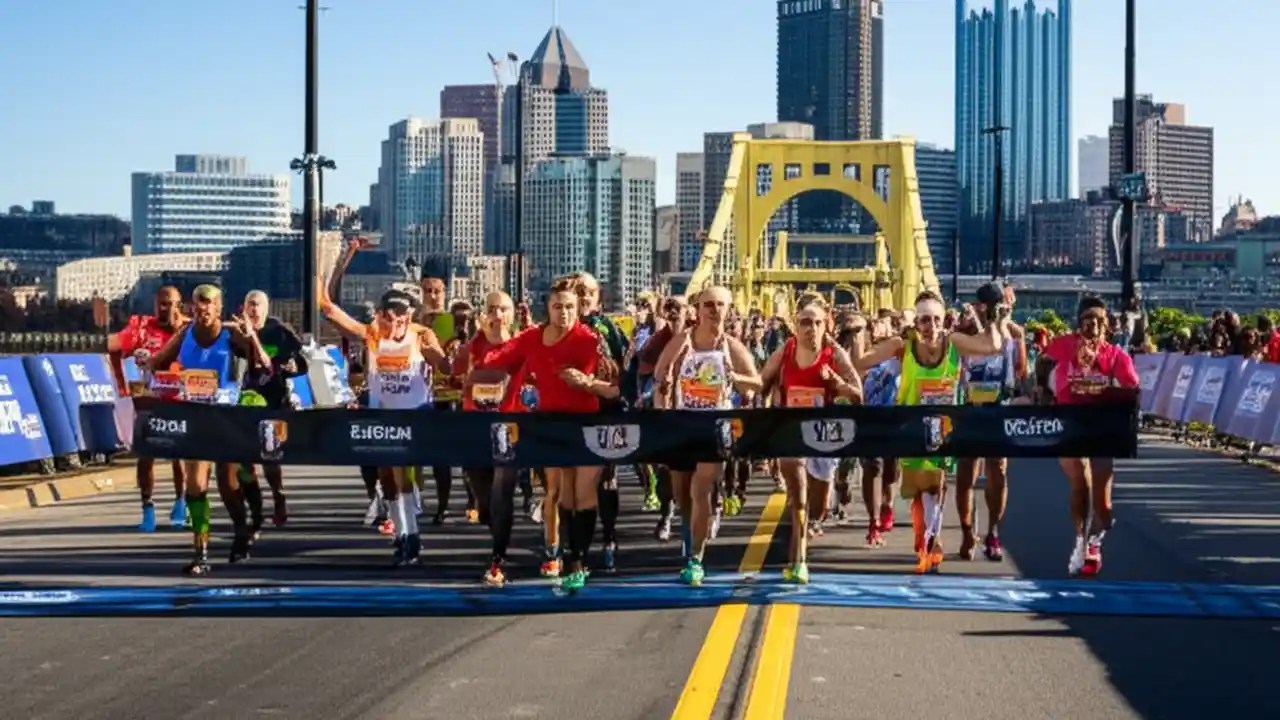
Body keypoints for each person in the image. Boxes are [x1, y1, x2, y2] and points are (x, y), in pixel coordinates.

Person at [479, 276, 619, 591]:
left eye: (569, 307)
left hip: (588, 424)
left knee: (584, 493)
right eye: (557, 307)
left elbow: (614, 387)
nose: (564, 313)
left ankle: (578, 560)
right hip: (551, 425)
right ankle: (568, 557)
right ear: (548, 308)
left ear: (578, 309)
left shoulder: (590, 339)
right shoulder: (532, 337)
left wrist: (587, 383)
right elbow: (494, 361)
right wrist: (492, 333)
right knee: (562, 494)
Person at [856, 290, 1005, 574]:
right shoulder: (903, 346)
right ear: (916, 323)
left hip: (945, 428)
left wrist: (993, 321)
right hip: (911, 428)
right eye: (924, 320)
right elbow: (862, 362)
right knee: (920, 489)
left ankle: (930, 543)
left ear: (944, 321)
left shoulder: (954, 343)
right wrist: (858, 333)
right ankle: (926, 540)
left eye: (936, 319)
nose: (931, 326)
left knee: (937, 486)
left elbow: (992, 347)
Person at [318, 269, 447, 566]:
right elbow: (329, 309)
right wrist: (329, 271)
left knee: (402, 473)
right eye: (387, 316)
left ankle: (412, 536)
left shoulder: (421, 335)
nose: (393, 322)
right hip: (381, 414)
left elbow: (446, 367)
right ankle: (401, 533)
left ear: (409, 315)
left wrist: (442, 358)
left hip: (413, 414)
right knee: (386, 478)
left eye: (400, 316)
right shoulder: (373, 334)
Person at [147, 284, 272, 575]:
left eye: (209, 304)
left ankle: (241, 530)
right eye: (198, 305)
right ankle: (200, 552)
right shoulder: (185, 333)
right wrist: (148, 363)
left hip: (226, 418)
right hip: (196, 417)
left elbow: (264, 366)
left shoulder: (232, 333)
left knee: (228, 483)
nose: (203, 310)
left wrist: (251, 337)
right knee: (195, 485)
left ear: (218, 308)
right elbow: (157, 363)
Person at [654, 286, 762, 587]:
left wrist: (735, 377)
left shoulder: (731, 346)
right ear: (698, 310)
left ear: (729, 310)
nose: (714, 310)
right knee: (682, 494)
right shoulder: (682, 341)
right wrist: (663, 398)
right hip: (682, 423)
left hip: (716, 426)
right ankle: (691, 534)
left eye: (720, 305)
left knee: (700, 489)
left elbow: (756, 384)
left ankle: (695, 559)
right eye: (708, 305)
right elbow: (659, 374)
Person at [760, 297, 862, 584]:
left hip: (824, 436)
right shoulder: (785, 351)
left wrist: (837, 385)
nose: (811, 328)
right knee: (800, 495)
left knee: (817, 508)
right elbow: (761, 384)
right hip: (790, 432)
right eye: (805, 322)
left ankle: (800, 533)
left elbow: (858, 394)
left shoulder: (834, 354)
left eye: (817, 323)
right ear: (795, 325)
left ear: (825, 325)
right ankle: (799, 561)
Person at [1041, 296, 1140, 577]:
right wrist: (1043, 388)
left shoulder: (1115, 355)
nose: (1092, 326)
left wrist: (1108, 389)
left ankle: (1095, 538)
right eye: (1087, 320)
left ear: (1107, 326)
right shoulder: (1065, 345)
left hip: (1101, 426)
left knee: (1104, 508)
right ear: (1079, 324)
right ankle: (1080, 542)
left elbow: (1132, 389)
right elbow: (1043, 358)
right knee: (1081, 479)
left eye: (1098, 321)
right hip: (1070, 423)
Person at [456, 290, 525, 587]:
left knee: (502, 493)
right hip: (475, 424)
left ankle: (498, 559)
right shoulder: (474, 346)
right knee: (484, 501)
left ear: (513, 314)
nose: (498, 315)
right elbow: (453, 373)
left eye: (504, 309)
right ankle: (488, 519)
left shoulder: (521, 344)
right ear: (484, 313)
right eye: (493, 309)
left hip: (508, 425)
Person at [954, 282, 1027, 562]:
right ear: (980, 306)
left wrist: (1014, 336)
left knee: (998, 471)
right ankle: (967, 532)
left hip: (998, 408)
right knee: (966, 474)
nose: (997, 311)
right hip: (970, 408)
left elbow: (1021, 372)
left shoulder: (1012, 333)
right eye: (993, 306)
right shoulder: (965, 332)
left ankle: (993, 532)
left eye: (1002, 306)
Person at [108, 285, 188, 532]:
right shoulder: (141, 327)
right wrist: (122, 385)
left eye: (172, 304)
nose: (167, 309)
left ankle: (181, 503)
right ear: (155, 305)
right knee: (146, 454)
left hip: (178, 398)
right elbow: (114, 347)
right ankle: (148, 508)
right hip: (148, 397)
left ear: (180, 306)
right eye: (162, 304)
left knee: (180, 454)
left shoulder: (189, 329)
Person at [570, 272, 630, 573]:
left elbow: (626, 365)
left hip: (606, 409)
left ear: (598, 297)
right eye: (578, 291)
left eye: (589, 292)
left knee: (607, 476)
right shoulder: (560, 327)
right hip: (570, 411)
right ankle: (573, 547)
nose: (583, 297)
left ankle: (608, 537)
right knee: (571, 482)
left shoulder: (609, 328)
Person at [234, 290, 309, 531]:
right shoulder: (236, 332)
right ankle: (255, 508)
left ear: (266, 309)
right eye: (250, 305)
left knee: (270, 458)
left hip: (274, 402)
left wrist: (293, 365)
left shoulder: (279, 332)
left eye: (258, 305)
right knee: (243, 461)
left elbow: (297, 362)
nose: (254, 310)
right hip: (245, 402)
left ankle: (278, 497)